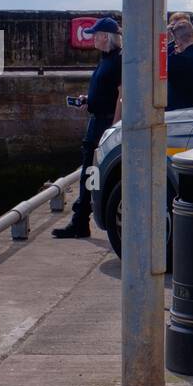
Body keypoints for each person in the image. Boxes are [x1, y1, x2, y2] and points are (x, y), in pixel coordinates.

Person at [53, 16, 122, 239]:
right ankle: (81, 219)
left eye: (95, 34)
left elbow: (123, 96)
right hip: (98, 121)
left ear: (105, 37)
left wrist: (114, 127)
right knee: (88, 174)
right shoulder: (106, 59)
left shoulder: (118, 60)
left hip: (105, 125)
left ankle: (81, 220)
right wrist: (87, 99)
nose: (92, 37)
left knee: (91, 174)